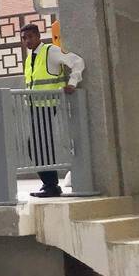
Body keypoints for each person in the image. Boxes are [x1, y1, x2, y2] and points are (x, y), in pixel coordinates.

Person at [21, 23, 84, 198]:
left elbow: (77, 61)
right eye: (24, 38)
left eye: (30, 37)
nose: (27, 41)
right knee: (38, 145)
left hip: (47, 105)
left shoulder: (50, 51)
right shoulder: (30, 58)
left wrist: (72, 83)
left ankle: (51, 185)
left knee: (38, 145)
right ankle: (49, 184)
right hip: (35, 107)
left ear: (38, 36)